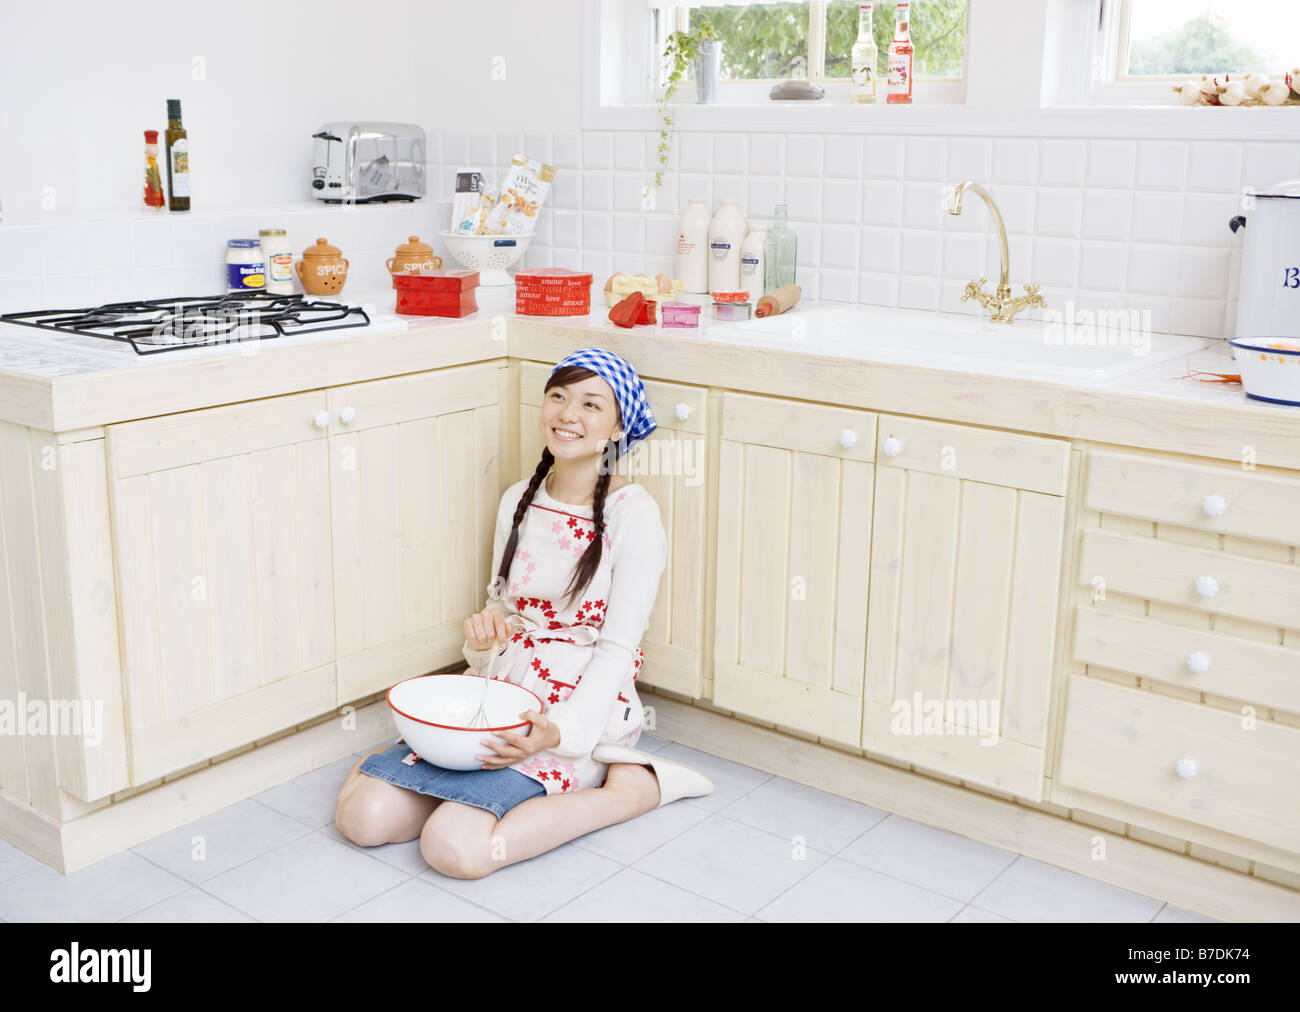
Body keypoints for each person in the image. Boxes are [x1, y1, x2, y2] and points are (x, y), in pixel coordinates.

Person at [335, 347, 713, 878]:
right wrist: (485, 637)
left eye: (590, 404)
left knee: (457, 849)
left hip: (577, 706)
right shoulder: (519, 498)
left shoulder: (635, 516)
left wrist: (561, 732)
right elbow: (500, 610)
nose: (567, 414)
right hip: (504, 685)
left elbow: (618, 649)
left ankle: (632, 790)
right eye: (558, 396)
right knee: (362, 819)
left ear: (617, 428)